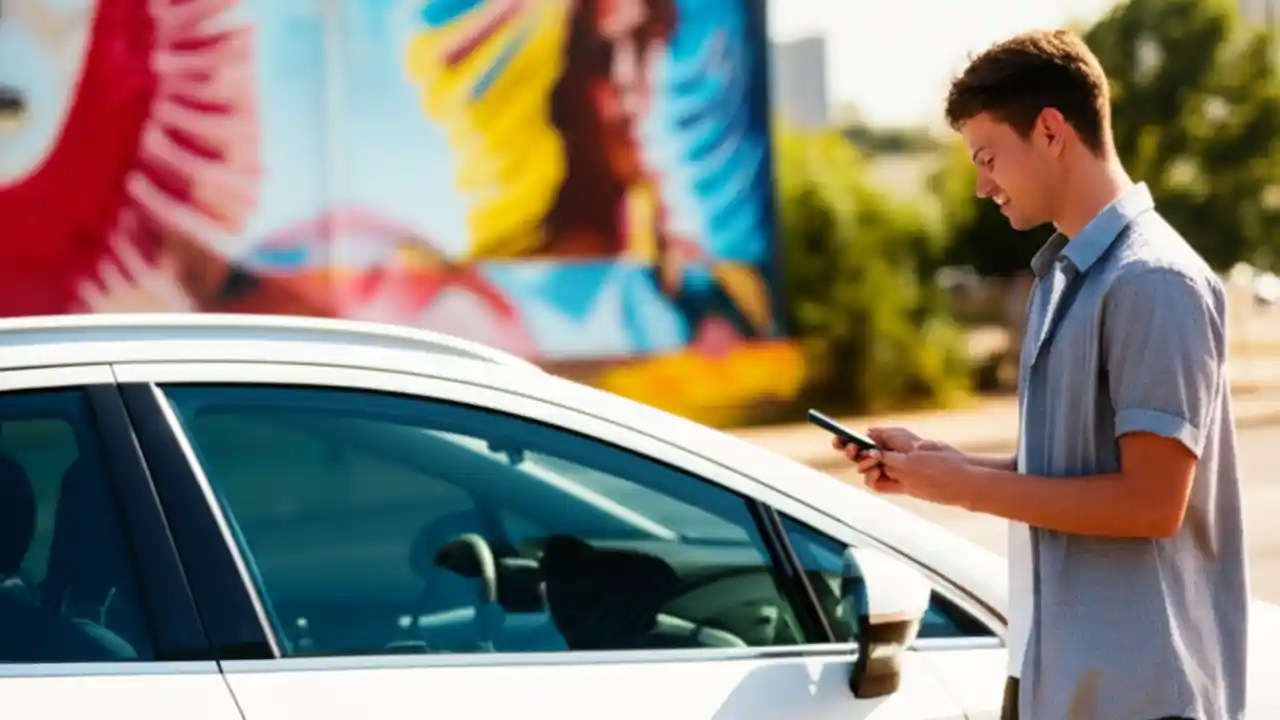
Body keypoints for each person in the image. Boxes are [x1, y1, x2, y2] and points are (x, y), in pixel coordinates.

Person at [838, 29, 1248, 720]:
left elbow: (1151, 502)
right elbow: (1073, 471)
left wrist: (968, 488)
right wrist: (945, 465)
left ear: (1052, 131)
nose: (980, 185)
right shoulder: (1065, 279)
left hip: (1142, 699)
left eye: (989, 157)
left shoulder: (1153, 282)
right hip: (1060, 684)